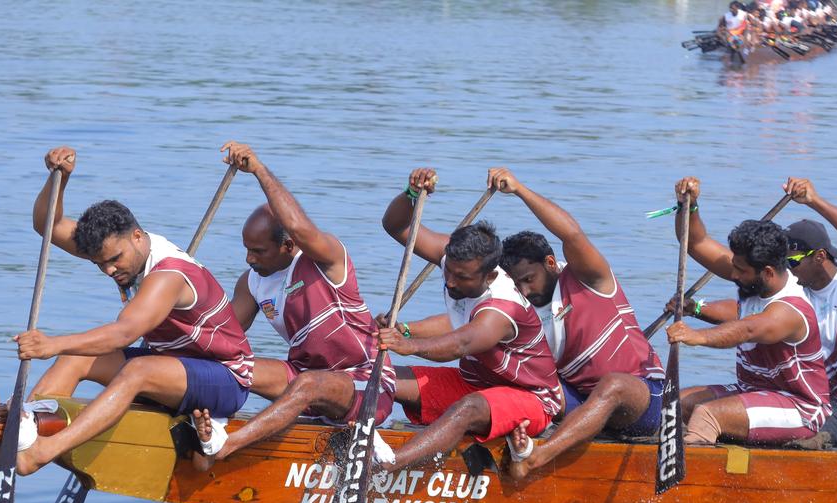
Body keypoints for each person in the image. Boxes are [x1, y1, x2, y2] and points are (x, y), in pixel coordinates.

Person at [0, 146, 255, 475]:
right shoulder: (117, 249)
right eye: (100, 263)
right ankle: (23, 430)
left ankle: (45, 450)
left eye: (115, 260)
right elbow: (46, 224)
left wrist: (51, 344)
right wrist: (59, 180)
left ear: (138, 237)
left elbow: (124, 333)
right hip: (173, 368)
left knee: (136, 370)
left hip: (224, 379)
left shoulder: (168, 275)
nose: (109, 270)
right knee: (77, 358)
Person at [190, 142, 394, 467]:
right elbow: (222, 334)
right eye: (246, 249)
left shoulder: (326, 260)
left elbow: (299, 226)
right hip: (303, 378)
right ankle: (196, 421)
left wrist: (257, 169)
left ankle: (226, 446)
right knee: (227, 367)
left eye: (258, 251)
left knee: (308, 384)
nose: (249, 258)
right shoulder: (251, 282)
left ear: (288, 245)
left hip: (365, 384)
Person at [374, 168, 562, 472]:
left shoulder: (503, 308)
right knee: (382, 375)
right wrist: (411, 195)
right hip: (476, 383)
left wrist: (407, 344)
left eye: (460, 277)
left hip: (532, 400)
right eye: (448, 270)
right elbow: (396, 226)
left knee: (469, 408)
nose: (449, 281)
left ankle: (388, 466)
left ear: (489, 275)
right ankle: (338, 431)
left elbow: (461, 343)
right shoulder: (456, 260)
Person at [491, 168, 664, 479]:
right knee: (514, 380)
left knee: (612, 384)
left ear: (550, 263)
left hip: (642, 401)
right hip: (579, 403)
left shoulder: (587, 276)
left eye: (530, 279)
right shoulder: (519, 307)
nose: (526, 291)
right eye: (519, 285)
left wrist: (519, 190)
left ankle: (537, 457)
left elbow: (571, 234)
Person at [665, 176, 830, 446]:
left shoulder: (791, 309)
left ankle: (694, 484)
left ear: (766, 272)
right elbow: (696, 243)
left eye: (740, 270)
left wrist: (698, 336)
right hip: (753, 391)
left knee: (707, 414)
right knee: (674, 406)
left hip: (800, 408)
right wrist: (689, 207)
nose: (734, 274)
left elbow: (748, 328)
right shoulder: (754, 277)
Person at [782, 177, 837, 442]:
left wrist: (813, 201)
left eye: (792, 262)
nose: (788, 271)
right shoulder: (796, 291)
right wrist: (698, 308)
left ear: (820, 257)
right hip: (809, 395)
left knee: (803, 438)